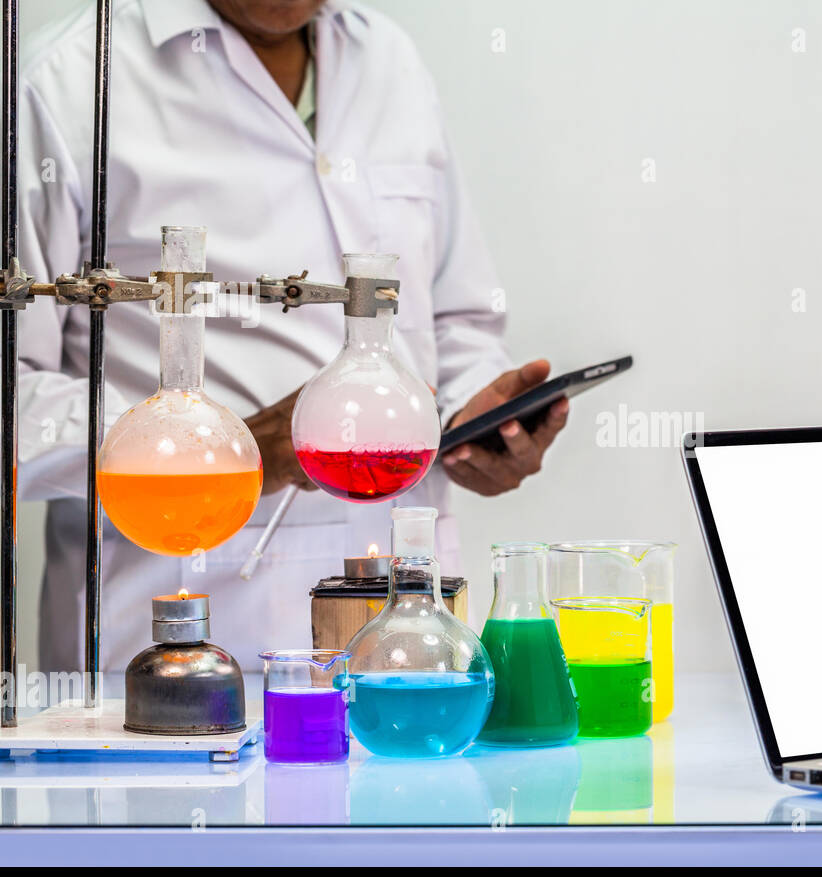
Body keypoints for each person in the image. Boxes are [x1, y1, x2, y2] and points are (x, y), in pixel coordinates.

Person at [16, 0, 567, 673]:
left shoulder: (390, 61)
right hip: (174, 656)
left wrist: (477, 420)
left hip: (411, 655)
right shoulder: (67, 81)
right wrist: (236, 451)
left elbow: (456, 324)